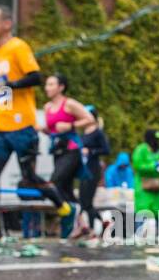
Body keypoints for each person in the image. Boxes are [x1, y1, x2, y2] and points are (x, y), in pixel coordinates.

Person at [0, 6, 66, 247]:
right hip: (2, 123)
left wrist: (6, 85)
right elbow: (7, 89)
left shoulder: (18, 47)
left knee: (28, 178)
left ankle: (63, 207)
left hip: (22, 125)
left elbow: (34, 78)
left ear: (7, 24)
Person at [42, 74, 95, 239]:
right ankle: (83, 225)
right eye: (46, 85)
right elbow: (52, 130)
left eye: (51, 84)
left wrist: (70, 125)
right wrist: (42, 129)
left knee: (55, 182)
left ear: (61, 87)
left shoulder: (69, 103)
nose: (47, 88)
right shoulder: (47, 107)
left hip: (72, 150)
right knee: (65, 189)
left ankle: (72, 217)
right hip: (57, 151)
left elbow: (90, 118)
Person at [77, 109, 109, 238]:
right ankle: (100, 223)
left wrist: (90, 151)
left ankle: (93, 228)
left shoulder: (98, 133)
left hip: (93, 169)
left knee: (87, 201)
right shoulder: (83, 133)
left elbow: (106, 150)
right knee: (82, 201)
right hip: (83, 170)